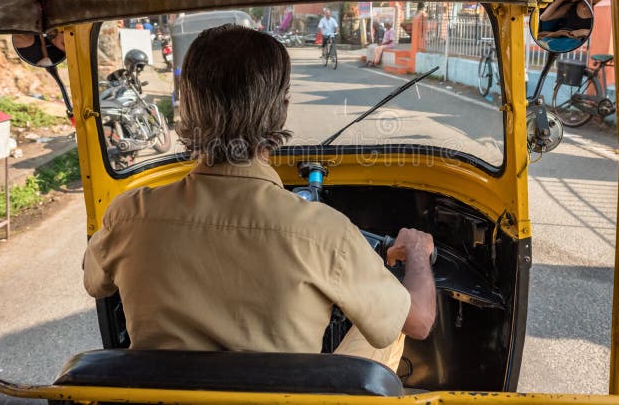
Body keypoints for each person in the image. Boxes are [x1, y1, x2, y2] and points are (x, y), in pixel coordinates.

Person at [83, 25, 436, 371]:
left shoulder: (129, 217)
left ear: (186, 105)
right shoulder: (325, 234)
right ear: (281, 109)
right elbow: (419, 320)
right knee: (385, 326)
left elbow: (93, 281)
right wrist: (417, 252)